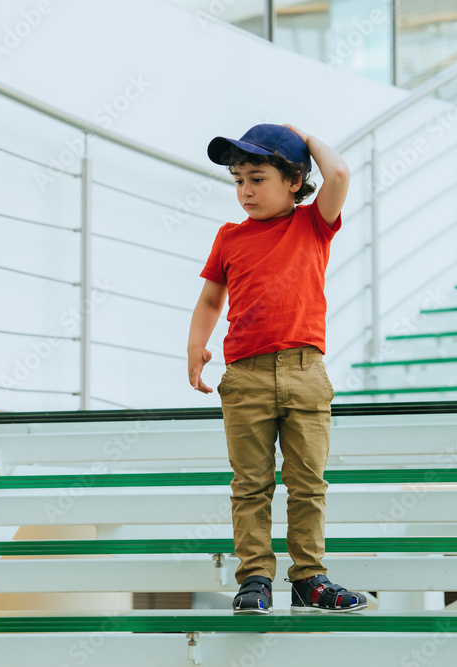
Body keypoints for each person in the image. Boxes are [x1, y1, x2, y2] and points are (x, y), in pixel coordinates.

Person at [186, 123, 367, 614]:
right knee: (251, 485)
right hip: (245, 375)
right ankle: (255, 580)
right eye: (238, 179)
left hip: (306, 371)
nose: (245, 190)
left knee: (307, 482)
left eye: (258, 177)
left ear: (293, 180)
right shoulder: (229, 237)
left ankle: (309, 577)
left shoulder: (312, 223)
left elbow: (340, 172)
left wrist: (303, 137)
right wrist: (196, 346)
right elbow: (209, 298)